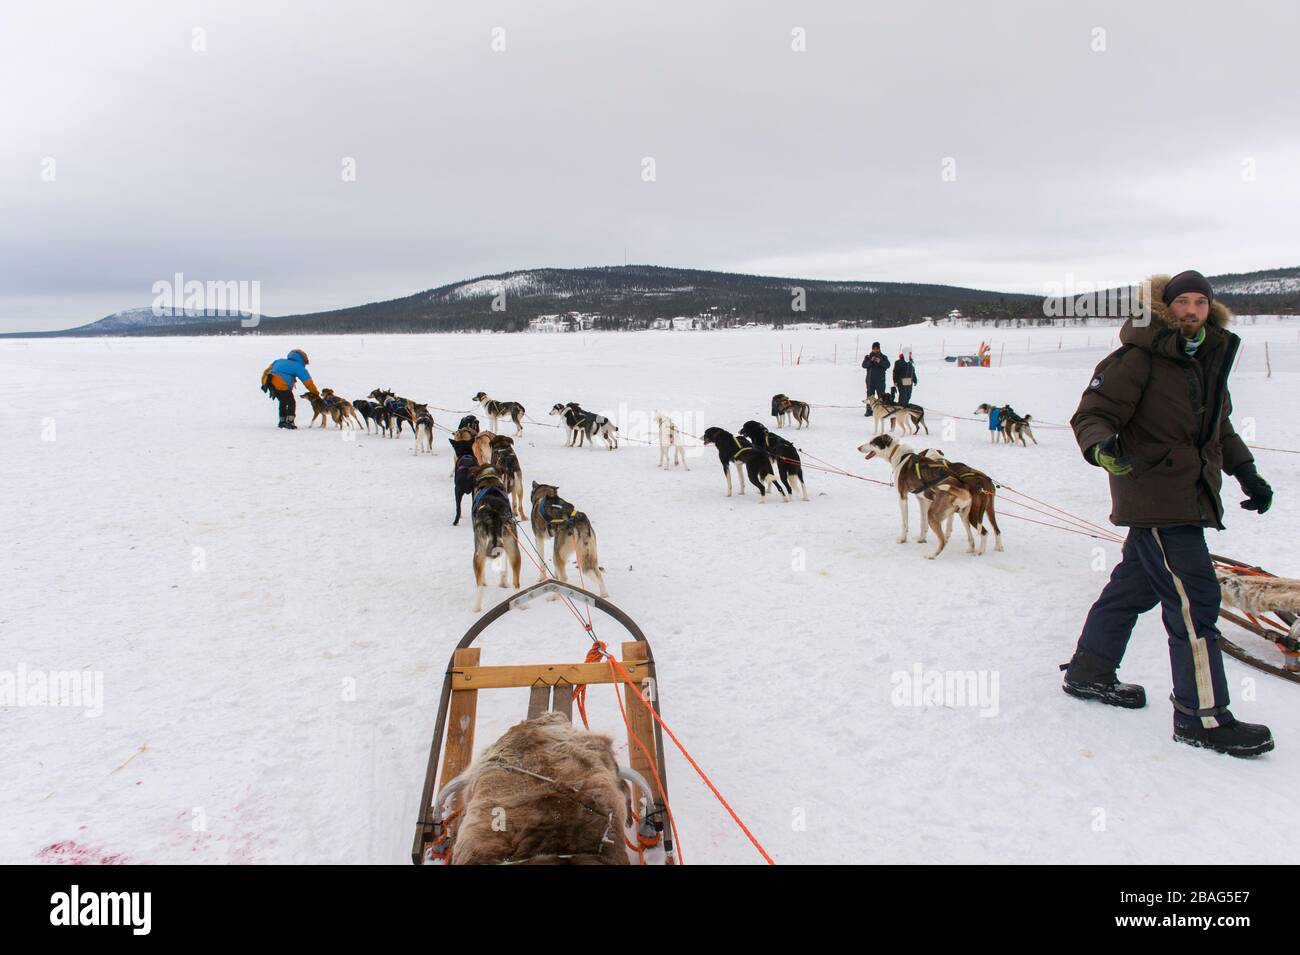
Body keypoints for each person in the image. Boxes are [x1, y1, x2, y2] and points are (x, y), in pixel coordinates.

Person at [1063, 270, 1275, 757]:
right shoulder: (1135, 358)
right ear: (1165, 306)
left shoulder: (1204, 361)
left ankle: (1089, 672)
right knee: (1195, 601)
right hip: (1156, 494)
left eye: (1201, 302)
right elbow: (1092, 414)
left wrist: (1248, 474)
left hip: (1188, 495)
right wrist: (1101, 449)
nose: (1192, 310)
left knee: (1131, 589)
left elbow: (1219, 429)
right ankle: (1202, 718)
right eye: (1183, 302)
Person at [260, 348, 319, 429]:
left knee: (283, 401)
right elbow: (308, 382)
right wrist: (315, 392)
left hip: (269, 382)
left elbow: (267, 370)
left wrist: (264, 383)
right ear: (302, 359)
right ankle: (289, 422)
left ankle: (282, 421)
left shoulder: (279, 360)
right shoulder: (298, 366)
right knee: (291, 402)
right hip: (280, 384)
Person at [861, 342, 891, 413]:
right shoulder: (868, 357)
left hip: (880, 381)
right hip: (870, 380)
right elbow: (864, 365)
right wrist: (871, 361)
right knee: (870, 396)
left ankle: (882, 411)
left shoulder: (884, 357)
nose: (875, 350)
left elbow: (888, 365)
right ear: (872, 349)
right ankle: (869, 411)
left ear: (879, 349)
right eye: (874, 349)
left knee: (881, 396)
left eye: (877, 349)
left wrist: (880, 361)